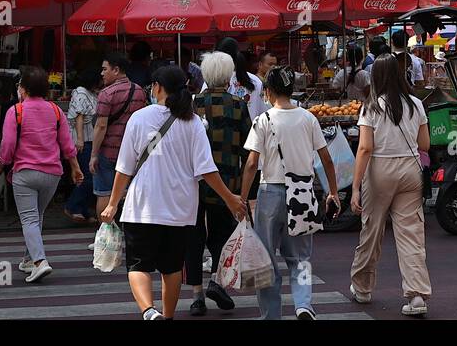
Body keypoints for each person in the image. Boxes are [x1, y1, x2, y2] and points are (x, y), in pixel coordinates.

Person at [101, 65, 244, 320]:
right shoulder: (194, 122)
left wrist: (112, 204)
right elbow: (207, 169)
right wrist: (230, 198)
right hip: (180, 210)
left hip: (142, 207)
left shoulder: (139, 118)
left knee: (138, 266)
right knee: (172, 268)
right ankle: (167, 317)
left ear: (157, 87)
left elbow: (124, 167)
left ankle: (148, 310)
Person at [239, 65, 341, 320]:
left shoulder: (262, 120)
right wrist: (333, 192)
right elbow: (326, 159)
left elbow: (252, 163)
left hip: (270, 193)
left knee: (267, 258)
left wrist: (242, 198)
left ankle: (271, 314)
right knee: (301, 256)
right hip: (303, 193)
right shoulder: (308, 118)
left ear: (269, 92)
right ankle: (304, 304)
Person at [348, 53, 432, 316]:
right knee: (411, 235)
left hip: (379, 170)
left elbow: (364, 149)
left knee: (371, 232)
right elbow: (425, 145)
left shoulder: (371, 107)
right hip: (410, 169)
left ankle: (362, 287)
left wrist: (354, 187)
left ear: (376, 78)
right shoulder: (416, 104)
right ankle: (416, 295)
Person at [0, 65, 81, 284]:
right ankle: (29, 259)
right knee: (36, 216)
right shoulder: (55, 110)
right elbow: (67, 144)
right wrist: (76, 167)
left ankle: (40, 262)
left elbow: (9, 144)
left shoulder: (17, 111)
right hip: (52, 174)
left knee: (30, 218)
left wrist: (1, 164)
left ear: (23, 88)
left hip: (25, 173)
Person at [184, 51, 251, 317]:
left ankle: (197, 296)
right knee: (222, 234)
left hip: (194, 181)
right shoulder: (237, 105)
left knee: (193, 236)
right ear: (228, 75)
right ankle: (216, 280)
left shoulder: (191, 104)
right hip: (227, 182)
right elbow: (248, 149)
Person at [89, 54, 148, 222]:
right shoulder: (139, 91)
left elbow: (101, 126)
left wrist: (94, 155)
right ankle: (127, 232)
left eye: (104, 69)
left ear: (116, 70)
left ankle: (105, 235)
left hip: (108, 151)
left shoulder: (106, 93)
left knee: (105, 194)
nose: (101, 73)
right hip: (132, 152)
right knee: (130, 193)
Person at [63, 67, 100, 223]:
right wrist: (79, 139)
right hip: (83, 140)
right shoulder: (81, 92)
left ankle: (83, 210)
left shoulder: (90, 93)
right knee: (88, 176)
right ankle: (73, 207)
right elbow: (79, 116)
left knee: (88, 175)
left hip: (90, 138)